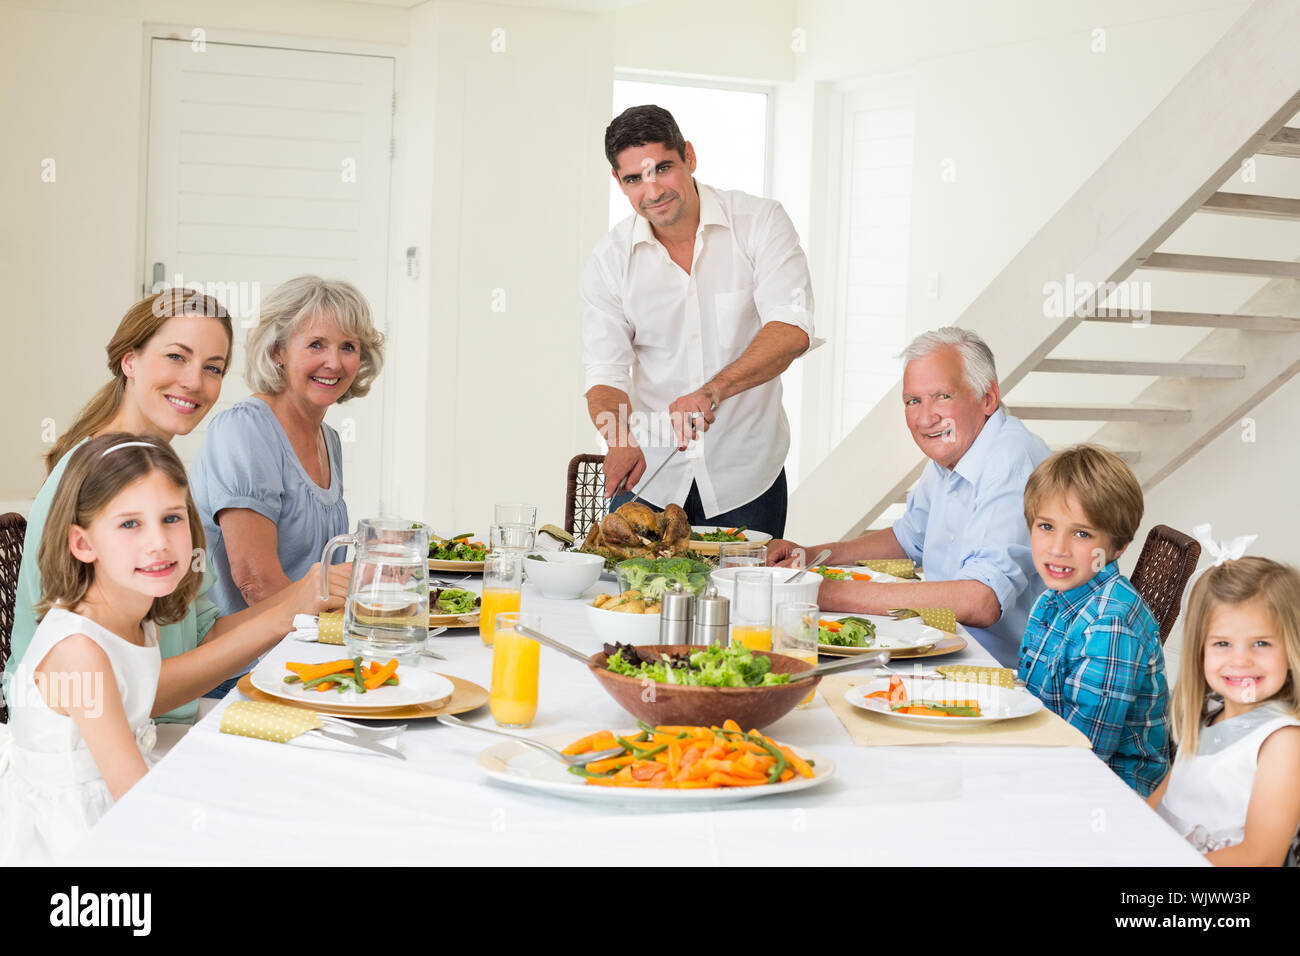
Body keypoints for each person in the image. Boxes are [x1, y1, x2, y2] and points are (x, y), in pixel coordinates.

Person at [0, 436, 330, 864]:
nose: (158, 542)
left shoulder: (139, 614)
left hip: (122, 785)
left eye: (171, 518)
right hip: (73, 827)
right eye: (130, 524)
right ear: (83, 544)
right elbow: (136, 802)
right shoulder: (81, 650)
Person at [581, 105, 815, 537]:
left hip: (746, 480)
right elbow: (605, 373)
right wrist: (618, 438)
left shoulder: (759, 223)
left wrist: (712, 391)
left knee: (745, 606)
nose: (651, 191)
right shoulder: (610, 260)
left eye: (662, 168)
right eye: (634, 179)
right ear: (619, 182)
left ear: (689, 156)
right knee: (632, 601)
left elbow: (792, 329)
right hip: (648, 479)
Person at [768, 327, 1050, 666]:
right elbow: (908, 539)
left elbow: (981, 601)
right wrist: (811, 556)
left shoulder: (1009, 460)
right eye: (913, 401)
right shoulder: (954, 453)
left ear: (987, 399)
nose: (924, 418)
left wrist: (824, 593)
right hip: (950, 646)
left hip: (1002, 671)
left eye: (942, 396)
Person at [191, 276, 384, 616]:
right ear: (278, 350)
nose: (334, 363)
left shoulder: (329, 439)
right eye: (316, 345)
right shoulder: (245, 429)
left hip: (306, 642)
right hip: (245, 659)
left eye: (348, 347)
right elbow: (256, 583)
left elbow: (315, 578)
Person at [1016, 445, 1168, 794]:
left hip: (1112, 796)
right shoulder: (1050, 600)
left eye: (1082, 533)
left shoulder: (1109, 624)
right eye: (1046, 526)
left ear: (1117, 547)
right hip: (1048, 763)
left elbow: (1085, 755)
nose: (1058, 548)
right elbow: (1028, 700)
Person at [1147, 556, 1300, 866]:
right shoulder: (1210, 711)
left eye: (1260, 643)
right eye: (1222, 643)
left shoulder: (1282, 741)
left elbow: (1261, 857)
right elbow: (1165, 795)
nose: (1241, 660)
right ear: (1199, 649)